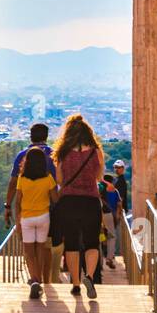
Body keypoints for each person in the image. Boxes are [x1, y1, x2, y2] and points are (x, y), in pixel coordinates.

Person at [52, 113, 104, 300]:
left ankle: (75, 283)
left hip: (69, 201)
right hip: (90, 200)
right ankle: (89, 276)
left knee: (72, 244)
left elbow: (59, 179)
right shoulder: (95, 152)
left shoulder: (62, 152)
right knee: (92, 243)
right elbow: (98, 178)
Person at [13, 147, 57, 300]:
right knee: (40, 248)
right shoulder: (48, 178)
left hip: (27, 217)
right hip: (43, 216)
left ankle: (35, 280)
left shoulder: (22, 178)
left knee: (29, 252)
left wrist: (17, 220)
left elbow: (17, 201)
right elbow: (55, 199)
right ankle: (38, 280)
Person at [4, 123, 55, 228]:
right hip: (50, 205)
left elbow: (13, 182)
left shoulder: (22, 155)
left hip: (27, 208)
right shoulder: (54, 155)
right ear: (46, 137)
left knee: (28, 241)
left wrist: (8, 206)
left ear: (31, 137)